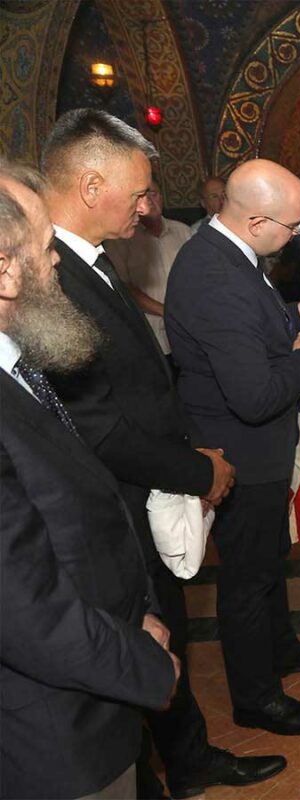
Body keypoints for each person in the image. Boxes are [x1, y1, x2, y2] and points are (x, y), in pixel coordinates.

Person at [39, 109, 286, 797]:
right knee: (145, 640)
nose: (151, 205)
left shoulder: (90, 264)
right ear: (92, 185)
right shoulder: (54, 282)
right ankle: (170, 765)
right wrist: (198, 468)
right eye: (141, 189)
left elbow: (138, 384)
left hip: (146, 481)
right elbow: (100, 424)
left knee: (164, 633)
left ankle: (185, 758)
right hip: (114, 503)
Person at [0, 162, 179, 800]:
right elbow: (26, 613)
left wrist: (145, 614)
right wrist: (146, 664)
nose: (56, 266)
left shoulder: (23, 365)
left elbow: (85, 510)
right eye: (46, 251)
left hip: (102, 689)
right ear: (5, 270)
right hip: (54, 736)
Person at [165, 159, 300, 738]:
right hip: (242, 450)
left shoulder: (228, 256)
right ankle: (256, 697)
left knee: (269, 562)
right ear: (256, 220)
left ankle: (283, 649)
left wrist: (297, 312)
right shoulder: (217, 276)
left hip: (258, 449)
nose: (299, 237)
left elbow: (248, 330)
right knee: (247, 577)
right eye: (293, 226)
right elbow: (254, 394)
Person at [105, 176, 191, 362]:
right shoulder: (121, 239)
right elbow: (123, 287)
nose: (150, 200)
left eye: (154, 193)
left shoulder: (183, 231)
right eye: (142, 195)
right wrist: (166, 311)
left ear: (162, 197)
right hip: (151, 335)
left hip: (189, 329)